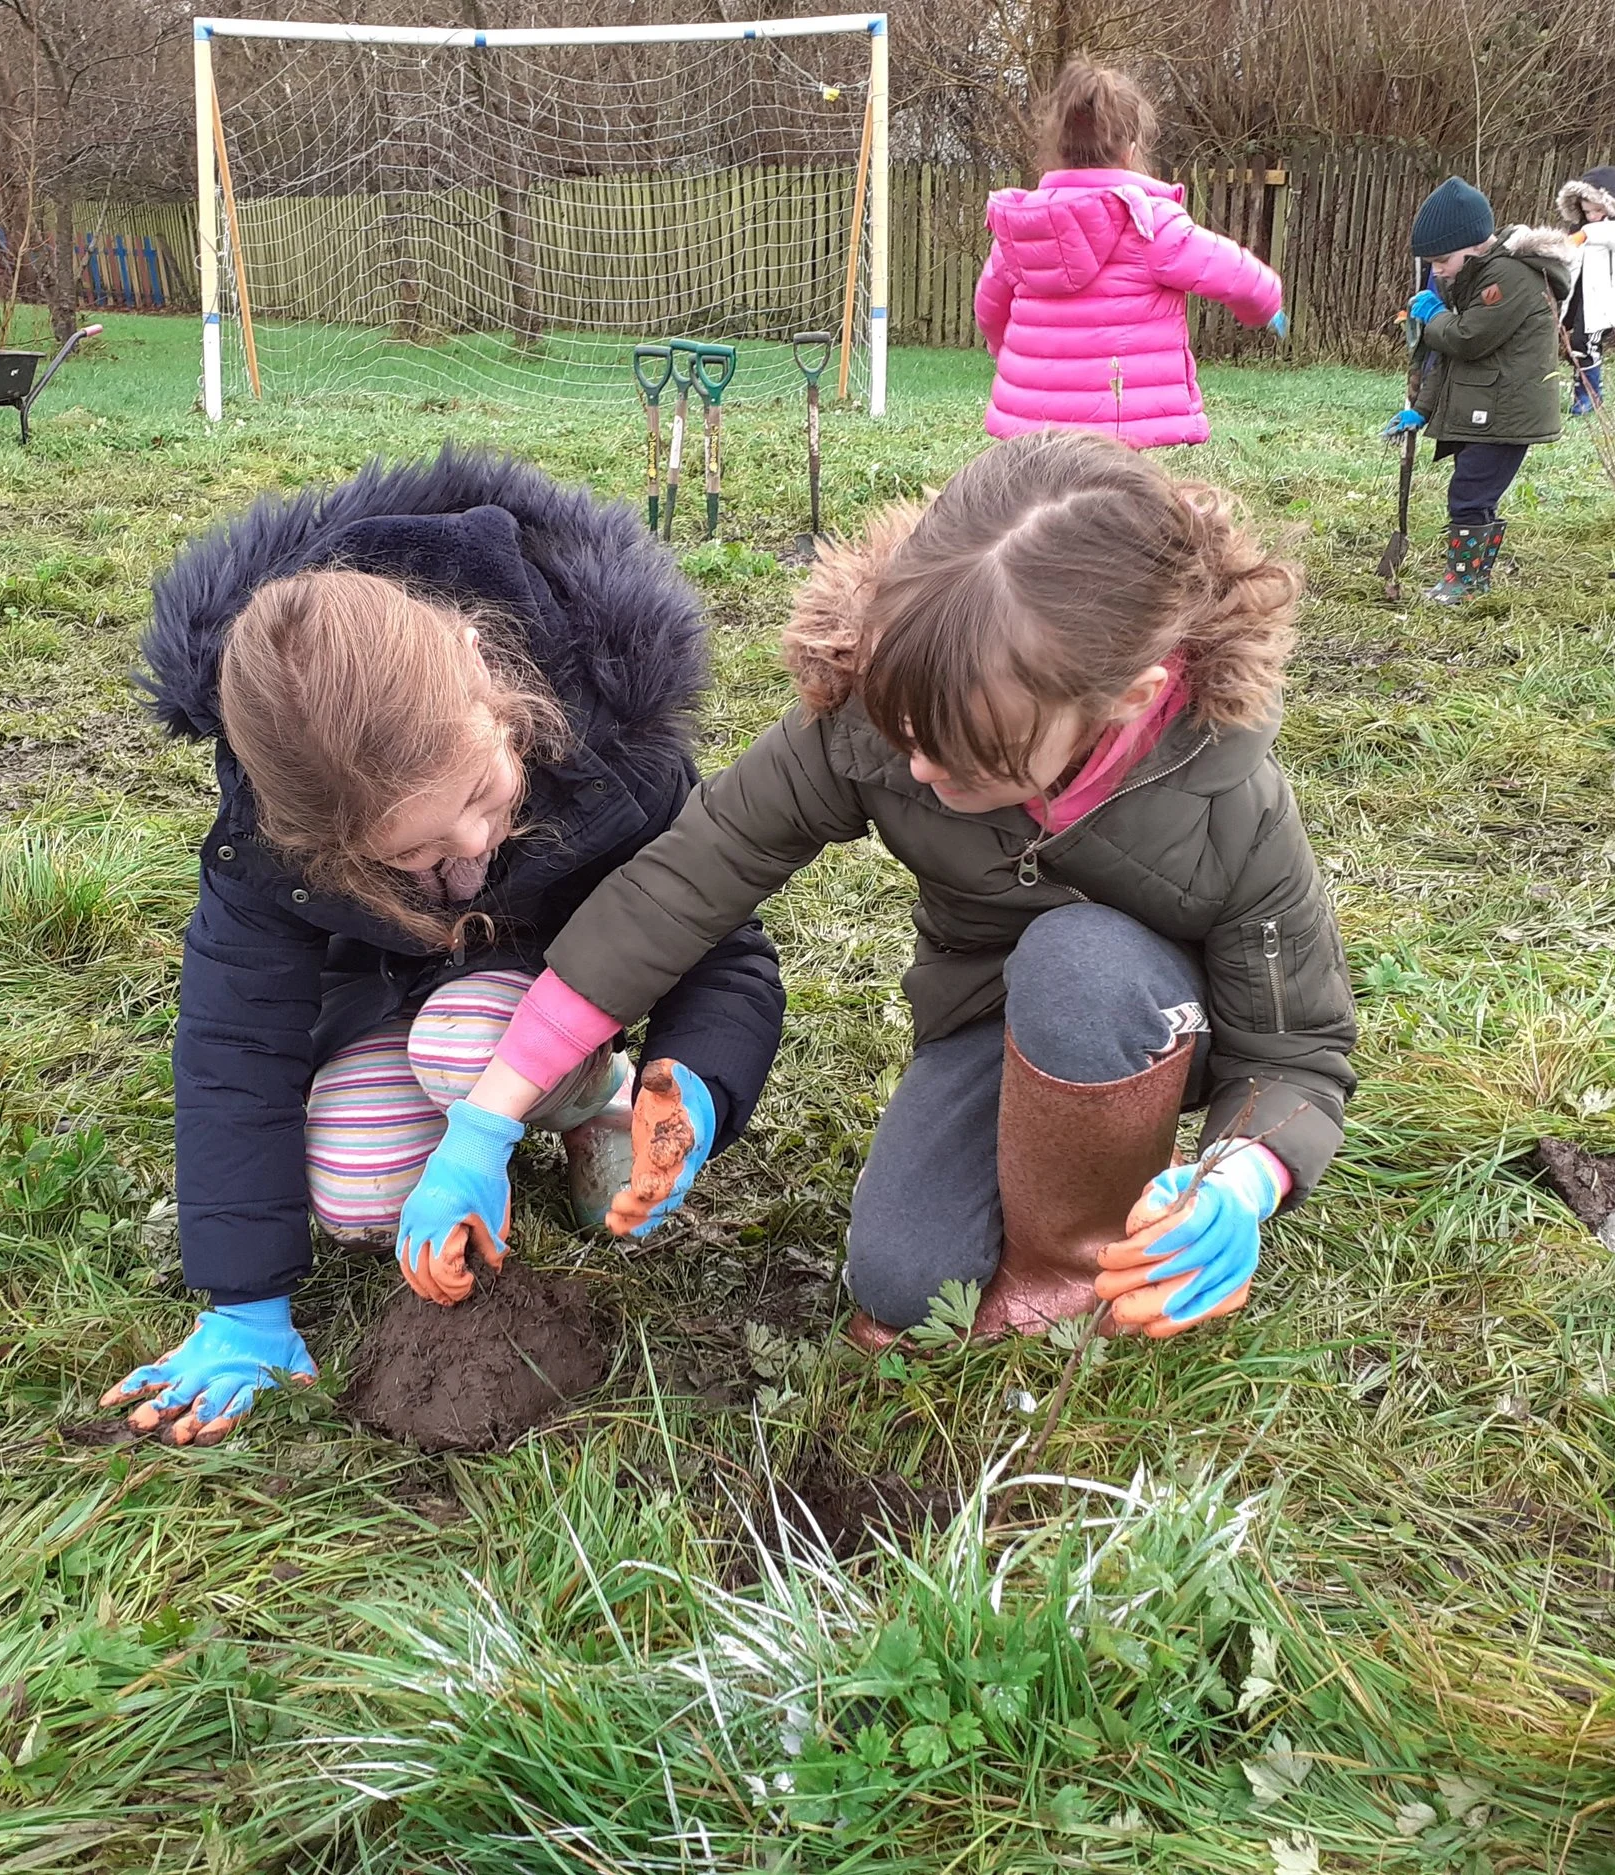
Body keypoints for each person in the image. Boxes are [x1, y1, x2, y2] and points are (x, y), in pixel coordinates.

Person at [395, 430, 1357, 1349]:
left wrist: (1240, 1181)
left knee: (1083, 961)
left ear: (1128, 698)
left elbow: (1298, 1052)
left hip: (1146, 1030)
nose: (926, 770)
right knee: (905, 1284)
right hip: (987, 1016)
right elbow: (686, 878)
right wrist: (484, 1121)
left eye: (976, 755)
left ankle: (1076, 1273)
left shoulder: (1226, 798)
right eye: (909, 736)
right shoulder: (884, 700)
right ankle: (1018, 1226)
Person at [105, 448, 787, 1443]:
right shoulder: (271, 828)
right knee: (354, 1184)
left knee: (465, 1048)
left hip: (543, 993)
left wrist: (697, 1082)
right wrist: (241, 1301)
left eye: (483, 797)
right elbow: (234, 1043)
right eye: (417, 854)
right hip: (387, 1000)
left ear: (489, 677)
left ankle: (589, 1100)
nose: (473, 846)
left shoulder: (613, 735)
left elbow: (722, 944)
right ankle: (465, 1156)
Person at [974, 59, 1286, 447]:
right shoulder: (1147, 223)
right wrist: (1266, 307)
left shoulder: (1025, 226)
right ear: (1131, 150)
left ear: (1057, 149)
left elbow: (988, 307)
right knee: (1113, 499)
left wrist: (999, 345)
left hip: (1034, 427)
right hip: (1118, 423)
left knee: (1048, 499)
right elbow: (1237, 275)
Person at [1383, 176, 1575, 603]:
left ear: (1473, 245)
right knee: (1475, 493)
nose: (1437, 271)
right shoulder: (1477, 275)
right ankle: (1471, 579)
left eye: (1442, 260)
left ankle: (1465, 581)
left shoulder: (1508, 277)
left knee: (1469, 493)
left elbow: (1466, 339)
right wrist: (1422, 409)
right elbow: (1449, 359)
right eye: (1431, 263)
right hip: (1484, 408)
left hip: (1505, 414)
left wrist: (1434, 317)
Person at [1556, 165, 1615, 414]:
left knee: (1585, 343)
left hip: (1607, 299)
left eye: (1598, 210)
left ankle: (1589, 397)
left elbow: (1613, 235)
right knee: (1573, 343)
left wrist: (1584, 234)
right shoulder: (1579, 229)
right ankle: (1580, 390)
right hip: (1579, 296)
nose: (1593, 216)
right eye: (1587, 211)